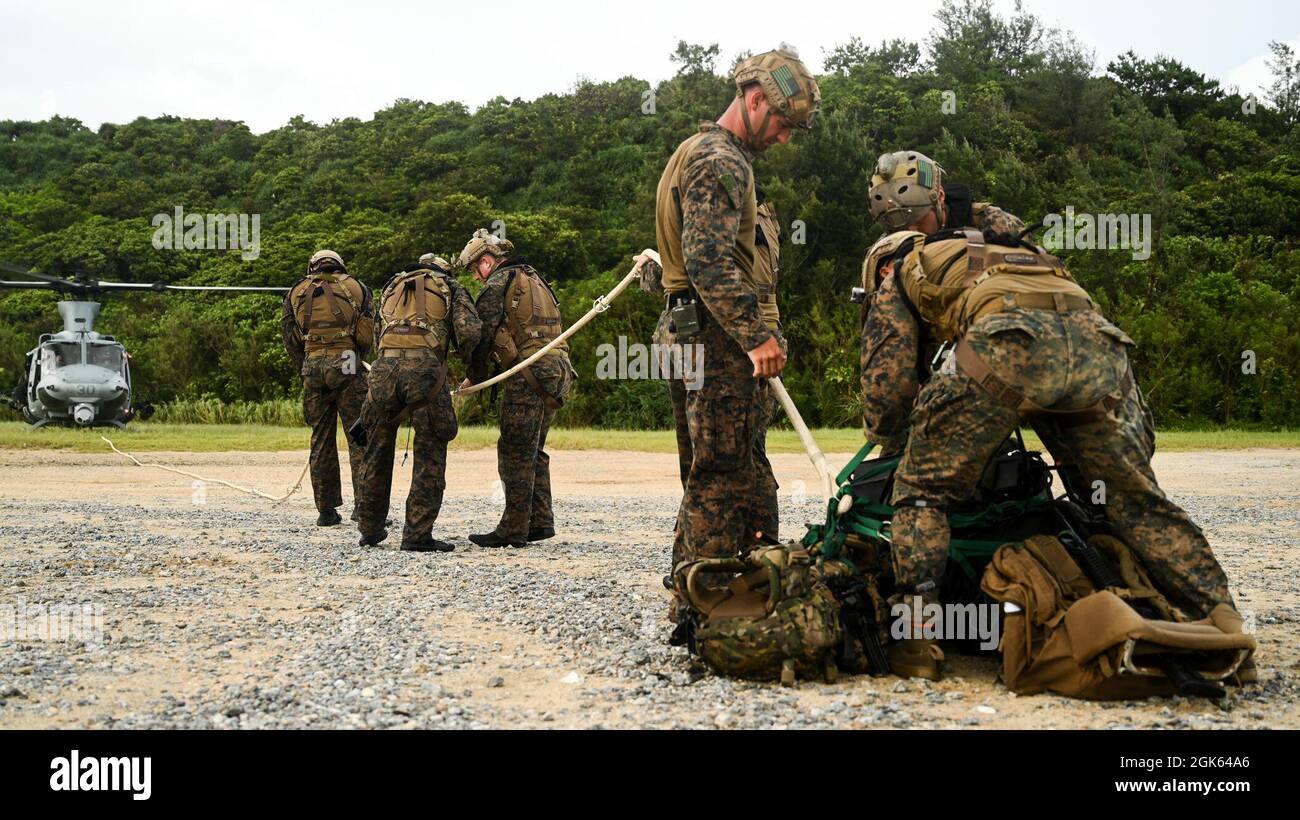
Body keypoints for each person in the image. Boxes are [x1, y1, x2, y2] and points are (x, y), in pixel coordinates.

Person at [859, 179, 1238, 681]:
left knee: (925, 492)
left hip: (1006, 346)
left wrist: (902, 435)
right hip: (1098, 348)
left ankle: (916, 643)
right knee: (1132, 497)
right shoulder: (1025, 250)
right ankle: (1221, 617)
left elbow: (887, 393)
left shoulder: (904, 267)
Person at [645, 46, 819, 628]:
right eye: (783, 123)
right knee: (721, 475)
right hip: (717, 343)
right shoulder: (722, 160)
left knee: (720, 471)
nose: (785, 138)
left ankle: (699, 597)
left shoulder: (694, 152)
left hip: (692, 334)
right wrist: (755, 336)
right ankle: (712, 611)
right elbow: (709, 259)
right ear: (754, 99)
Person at [859, 151, 1026, 455]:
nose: (910, 234)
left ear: (939, 198)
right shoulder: (894, 253)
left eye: (917, 221)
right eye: (896, 227)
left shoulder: (994, 226)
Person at [352, 254, 481, 551]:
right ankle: (417, 534)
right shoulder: (448, 285)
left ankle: (369, 528)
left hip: (383, 370)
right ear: (442, 270)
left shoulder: (392, 285)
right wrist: (468, 364)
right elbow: (471, 331)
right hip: (425, 372)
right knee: (430, 453)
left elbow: (375, 334)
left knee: (376, 450)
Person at [457, 230, 575, 548]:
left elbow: (481, 336)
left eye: (473, 270)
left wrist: (474, 376)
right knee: (532, 450)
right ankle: (540, 520)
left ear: (486, 261)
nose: (475, 277)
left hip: (529, 374)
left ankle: (513, 529)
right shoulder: (535, 278)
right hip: (557, 371)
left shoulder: (499, 282)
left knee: (514, 451)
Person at [281, 249, 373, 526]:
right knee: (359, 435)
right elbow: (368, 332)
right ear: (340, 266)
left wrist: (306, 363)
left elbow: (289, 336)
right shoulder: (357, 287)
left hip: (312, 366)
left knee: (321, 439)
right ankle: (364, 506)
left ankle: (326, 510)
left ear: (312, 267)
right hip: (347, 362)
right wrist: (356, 359)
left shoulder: (296, 291)